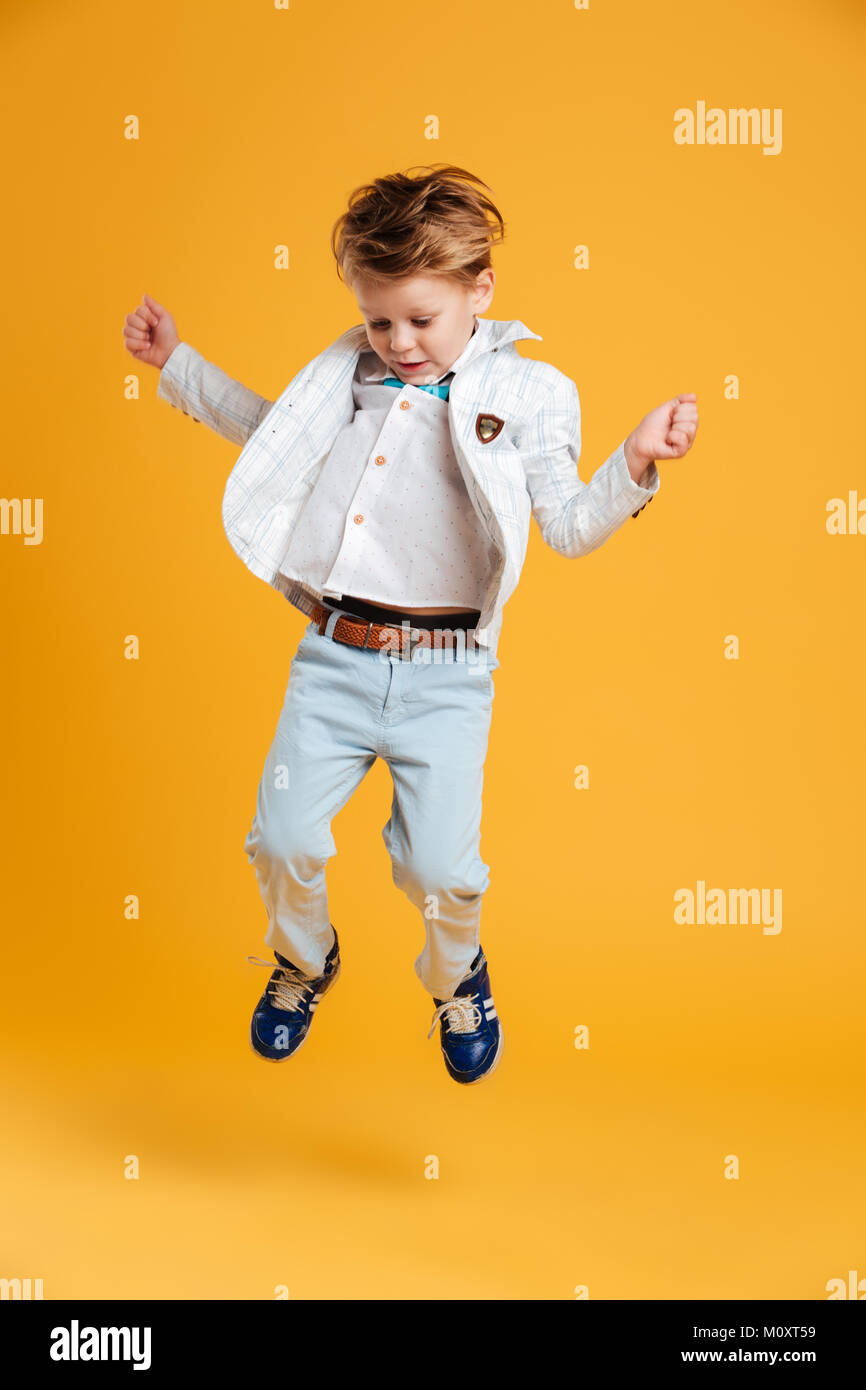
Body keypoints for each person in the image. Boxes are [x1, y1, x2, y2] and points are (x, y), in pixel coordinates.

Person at [121, 163, 698, 1085]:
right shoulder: (349, 370)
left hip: (449, 674)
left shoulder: (535, 390)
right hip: (336, 657)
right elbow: (272, 436)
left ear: (481, 291)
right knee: (282, 840)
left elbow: (568, 526)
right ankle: (304, 961)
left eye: (421, 319)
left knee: (441, 871)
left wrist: (634, 460)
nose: (399, 341)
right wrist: (177, 365)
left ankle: (456, 974)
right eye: (380, 318)